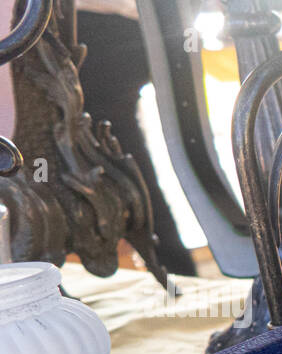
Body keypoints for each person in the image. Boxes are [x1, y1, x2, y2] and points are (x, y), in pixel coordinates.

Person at [76, 0, 199, 276]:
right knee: (123, 150)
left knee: (115, 147)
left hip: (101, 27)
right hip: (140, 26)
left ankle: (173, 272)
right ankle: (175, 271)